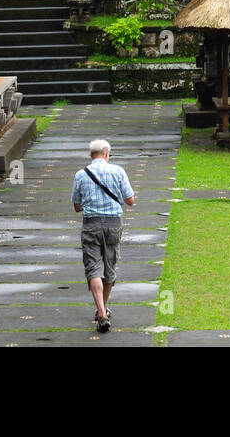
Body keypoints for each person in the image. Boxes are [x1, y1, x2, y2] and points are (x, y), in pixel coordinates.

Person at [71, 139, 135, 333]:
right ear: (107, 153)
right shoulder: (118, 171)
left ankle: (101, 311)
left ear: (91, 155)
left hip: (91, 225)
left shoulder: (81, 175)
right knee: (109, 267)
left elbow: (76, 206)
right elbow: (130, 200)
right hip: (113, 224)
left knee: (93, 268)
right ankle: (102, 310)